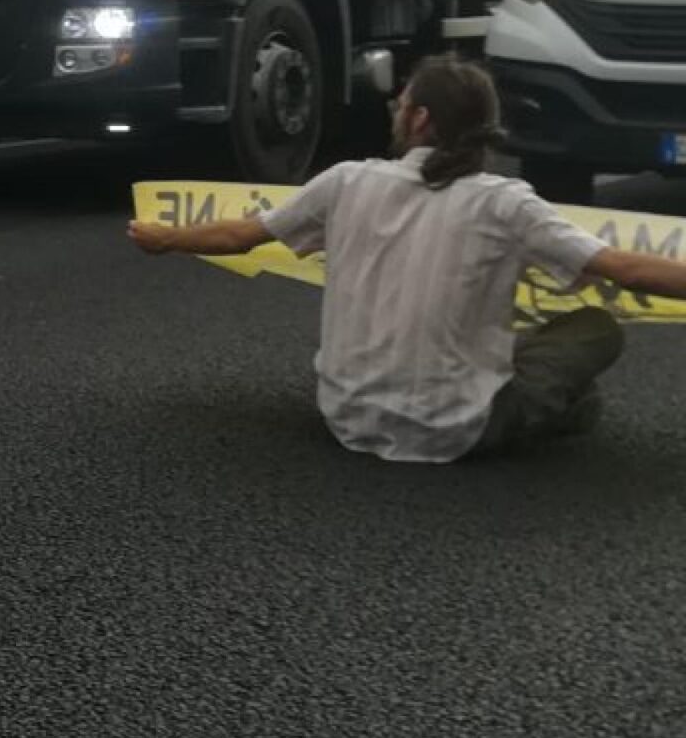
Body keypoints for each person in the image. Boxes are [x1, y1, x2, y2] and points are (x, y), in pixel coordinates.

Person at [127, 55, 686, 461]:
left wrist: (163, 238)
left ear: (420, 120)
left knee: (521, 343)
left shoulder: (345, 182)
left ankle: (558, 409)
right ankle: (565, 411)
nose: (396, 110)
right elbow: (627, 270)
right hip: (457, 429)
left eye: (402, 103)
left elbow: (238, 237)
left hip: (344, 417)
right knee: (595, 329)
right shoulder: (506, 203)